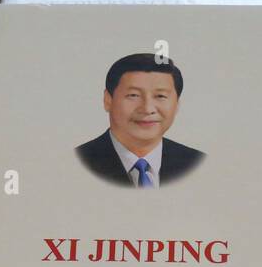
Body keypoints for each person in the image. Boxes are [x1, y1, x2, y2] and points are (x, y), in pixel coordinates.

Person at [76, 52, 204, 188]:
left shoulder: (195, 162)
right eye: (133, 95)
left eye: (160, 96)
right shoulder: (79, 162)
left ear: (177, 104)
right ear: (108, 100)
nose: (147, 109)